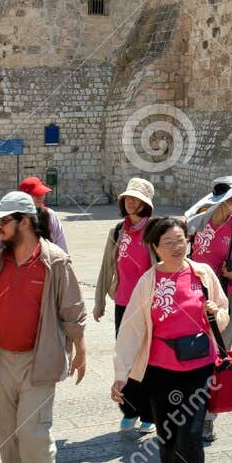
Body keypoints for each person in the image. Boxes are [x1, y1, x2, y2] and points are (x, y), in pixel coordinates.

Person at [0, 190, 87, 463]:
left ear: (24, 222)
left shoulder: (55, 261)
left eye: (3, 222)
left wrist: (81, 350)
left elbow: (72, 309)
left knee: (33, 435)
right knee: (8, 437)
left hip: (40, 360)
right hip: (4, 361)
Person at [111, 215, 228, 463]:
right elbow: (130, 331)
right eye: (169, 243)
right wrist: (120, 375)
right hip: (160, 373)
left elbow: (224, 316)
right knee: (169, 439)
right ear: (155, 247)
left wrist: (216, 312)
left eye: (181, 240)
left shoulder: (202, 274)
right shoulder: (148, 282)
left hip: (199, 370)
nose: (177, 247)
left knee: (189, 439)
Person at [185, 175, 232, 443]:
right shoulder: (196, 223)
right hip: (198, 299)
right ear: (225, 200)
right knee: (197, 358)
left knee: (218, 357)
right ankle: (192, 411)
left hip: (230, 295)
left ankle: (209, 419)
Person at [93, 177, 158, 434]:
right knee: (126, 358)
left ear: (146, 203)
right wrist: (99, 302)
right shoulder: (117, 231)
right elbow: (106, 267)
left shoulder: (155, 229)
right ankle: (130, 409)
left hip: (149, 305)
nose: (131, 202)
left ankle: (149, 414)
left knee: (149, 359)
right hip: (123, 303)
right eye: (128, 198)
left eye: (137, 199)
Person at [18, 175, 68, 251]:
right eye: (36, 194)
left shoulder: (50, 214)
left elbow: (60, 241)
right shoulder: (13, 217)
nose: (40, 196)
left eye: (42, 193)